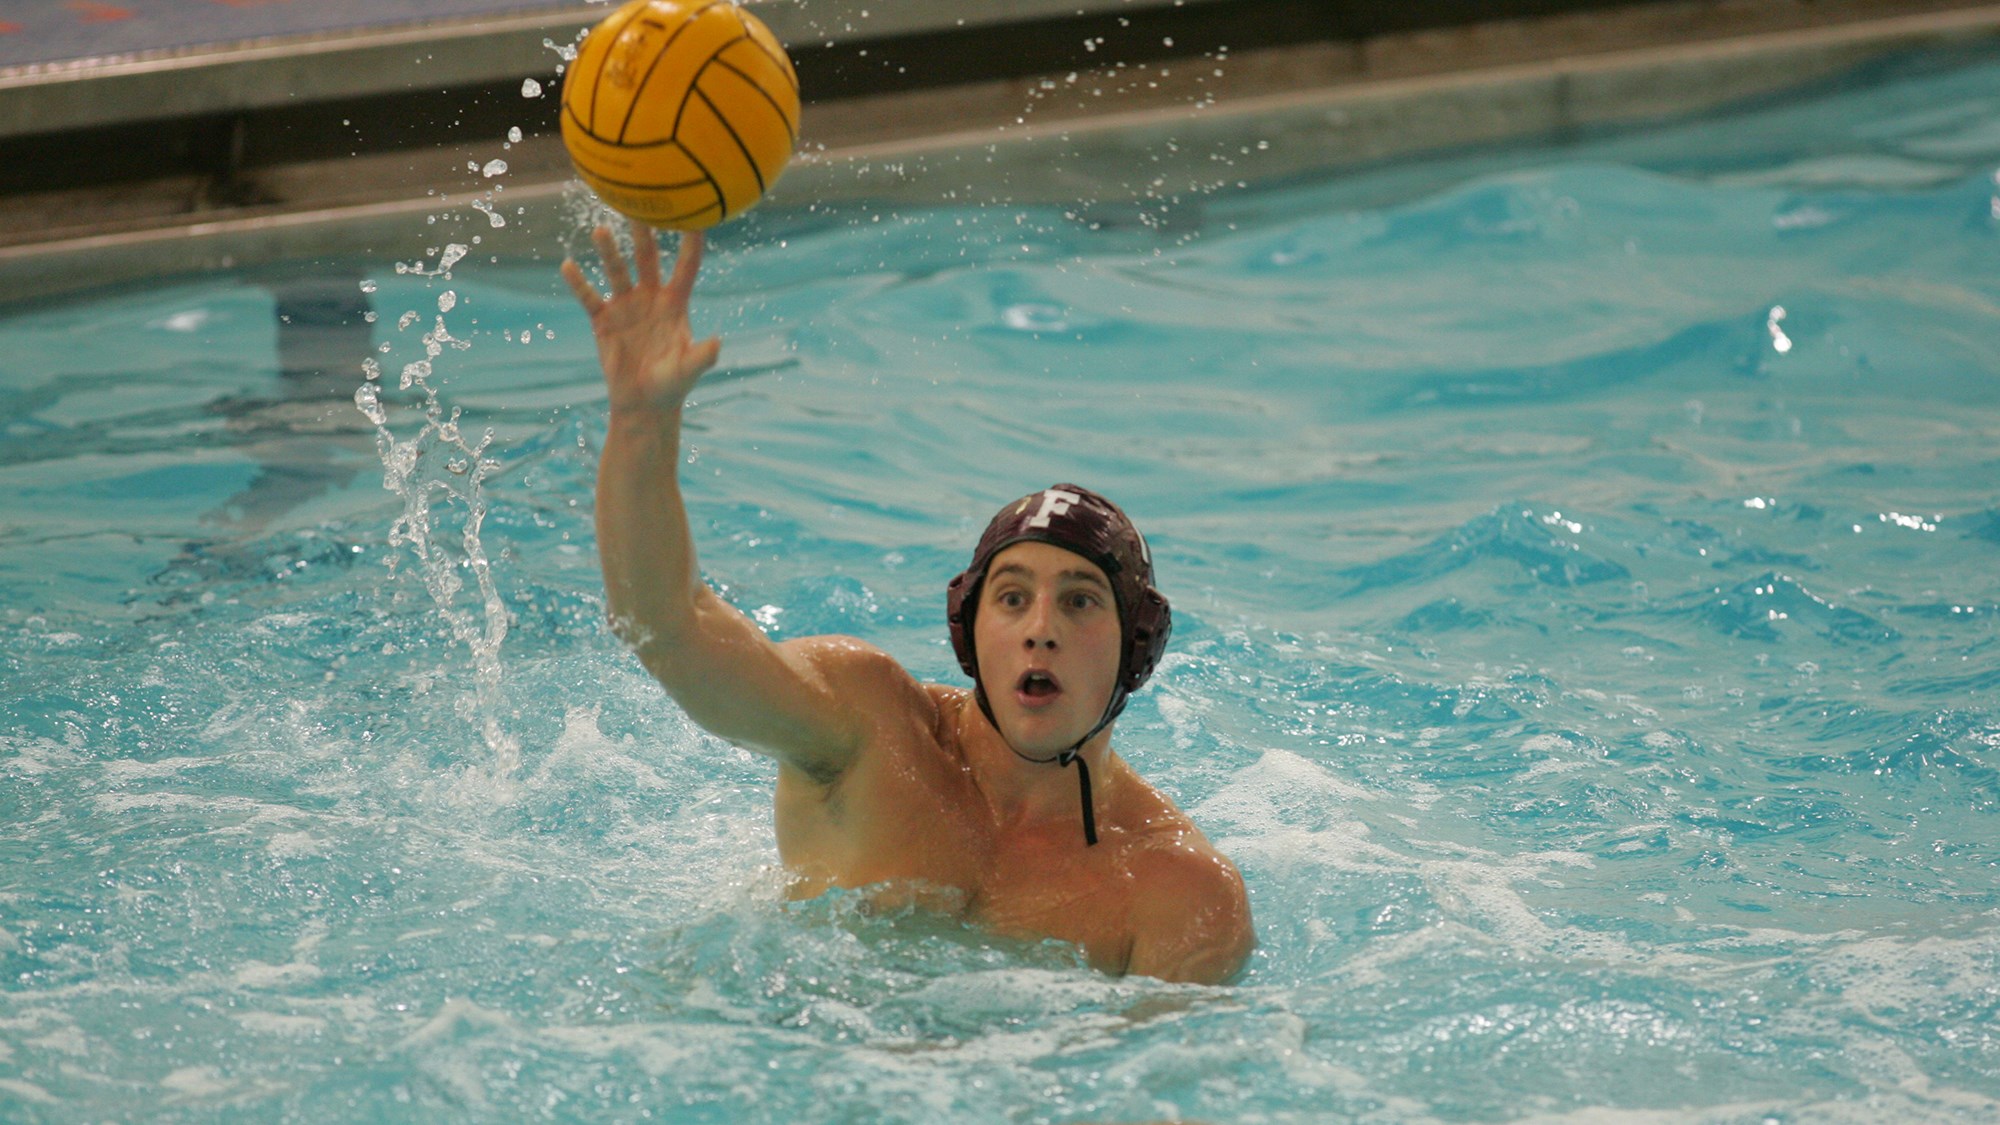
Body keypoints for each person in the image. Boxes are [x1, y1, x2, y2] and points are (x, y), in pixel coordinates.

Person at [562, 221, 1254, 984]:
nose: (1040, 630)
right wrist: (639, 423)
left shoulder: (1178, 894)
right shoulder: (865, 728)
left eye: (1081, 602)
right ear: (968, 630)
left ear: (1139, 648)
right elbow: (666, 627)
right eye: (1012, 597)